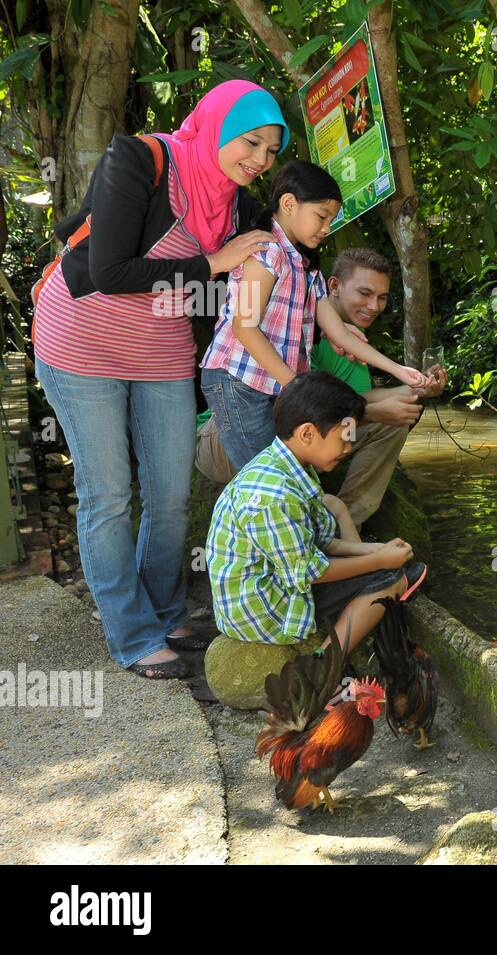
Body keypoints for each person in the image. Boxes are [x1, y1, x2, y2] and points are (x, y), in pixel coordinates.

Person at [31, 79, 288, 680]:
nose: (259, 161)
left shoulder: (240, 206)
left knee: (171, 496)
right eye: (250, 143)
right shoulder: (141, 159)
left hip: (163, 351)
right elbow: (110, 269)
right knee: (109, 495)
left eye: (272, 152)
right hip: (82, 342)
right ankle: (130, 634)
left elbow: (252, 278)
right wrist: (215, 262)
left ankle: (164, 615)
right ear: (217, 127)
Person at [198, 160, 433, 475]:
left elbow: (341, 334)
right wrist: (295, 387)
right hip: (237, 380)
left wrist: (399, 371)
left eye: (331, 220)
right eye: (321, 217)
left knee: (289, 472)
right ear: (289, 204)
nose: (326, 228)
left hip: (276, 383)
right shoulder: (266, 252)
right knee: (269, 475)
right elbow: (245, 326)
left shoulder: (307, 269)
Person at [194, 247, 447, 526]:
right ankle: (314, 536)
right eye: (365, 294)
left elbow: (357, 398)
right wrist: (371, 412)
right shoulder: (296, 322)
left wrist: (419, 389)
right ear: (334, 286)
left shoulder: (352, 341)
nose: (374, 306)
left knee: (391, 424)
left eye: (382, 298)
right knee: (369, 417)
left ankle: (341, 526)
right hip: (226, 436)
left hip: (298, 432)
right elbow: (301, 408)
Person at [205, 372, 425, 652]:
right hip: (264, 612)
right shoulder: (275, 495)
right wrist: (379, 562)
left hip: (267, 587)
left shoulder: (285, 466)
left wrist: (372, 550)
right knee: (392, 580)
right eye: (344, 438)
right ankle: (327, 662)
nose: (348, 448)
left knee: (384, 567)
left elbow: (316, 541)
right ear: (307, 433)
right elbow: (308, 572)